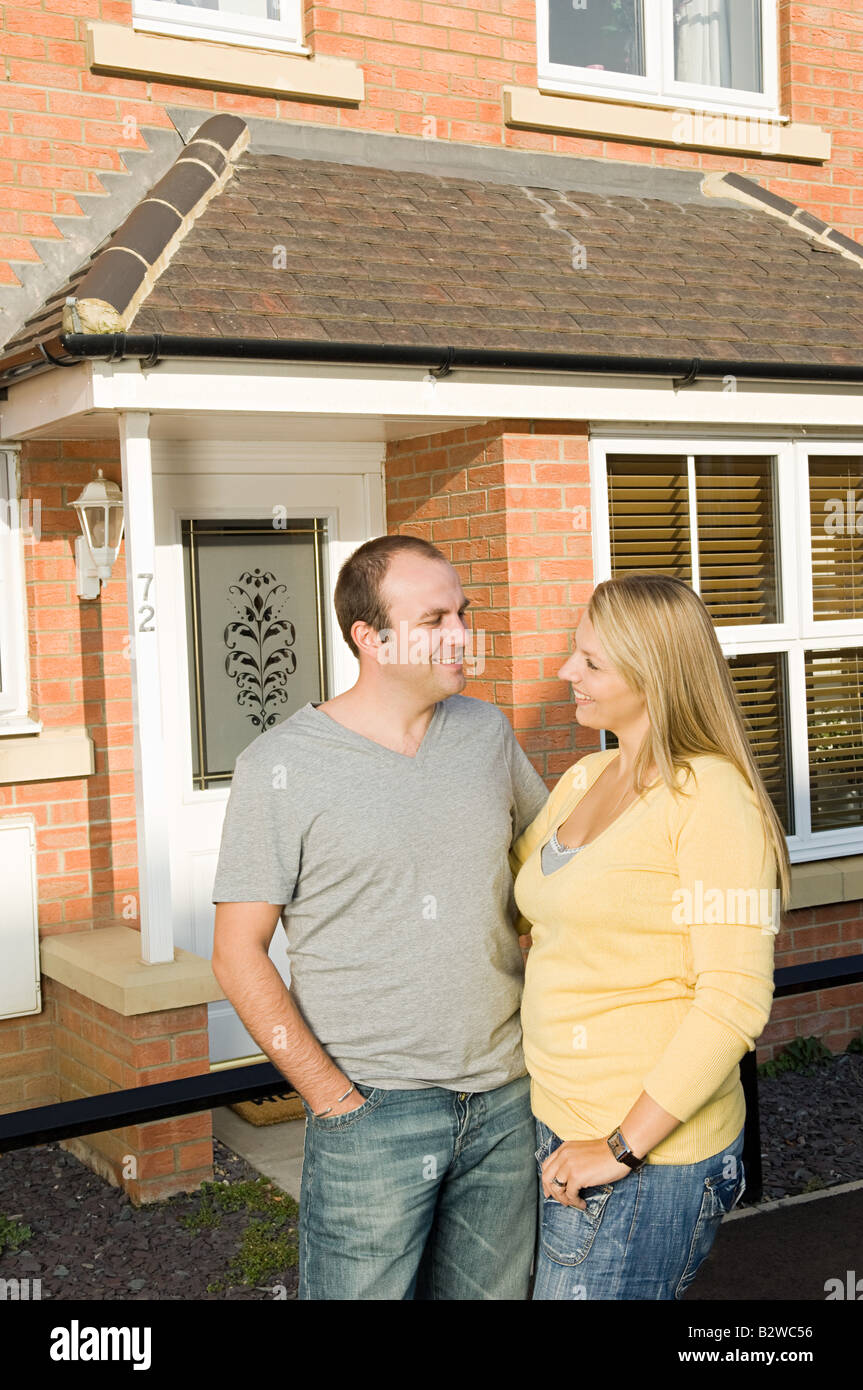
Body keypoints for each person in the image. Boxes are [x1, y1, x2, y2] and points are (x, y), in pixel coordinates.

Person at [210, 533, 548, 1300]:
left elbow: (555, 869)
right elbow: (238, 953)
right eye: (434, 620)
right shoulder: (278, 767)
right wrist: (332, 1098)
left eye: (462, 613)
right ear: (371, 636)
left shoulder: (484, 733)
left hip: (506, 1095)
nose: (461, 634)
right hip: (374, 1110)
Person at [510, 571, 790, 1301]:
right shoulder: (585, 777)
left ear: (653, 675)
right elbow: (519, 898)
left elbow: (731, 1001)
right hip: (561, 1125)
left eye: (591, 662)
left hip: (643, 1158)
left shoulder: (709, 797)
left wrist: (619, 1147)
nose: (567, 672)